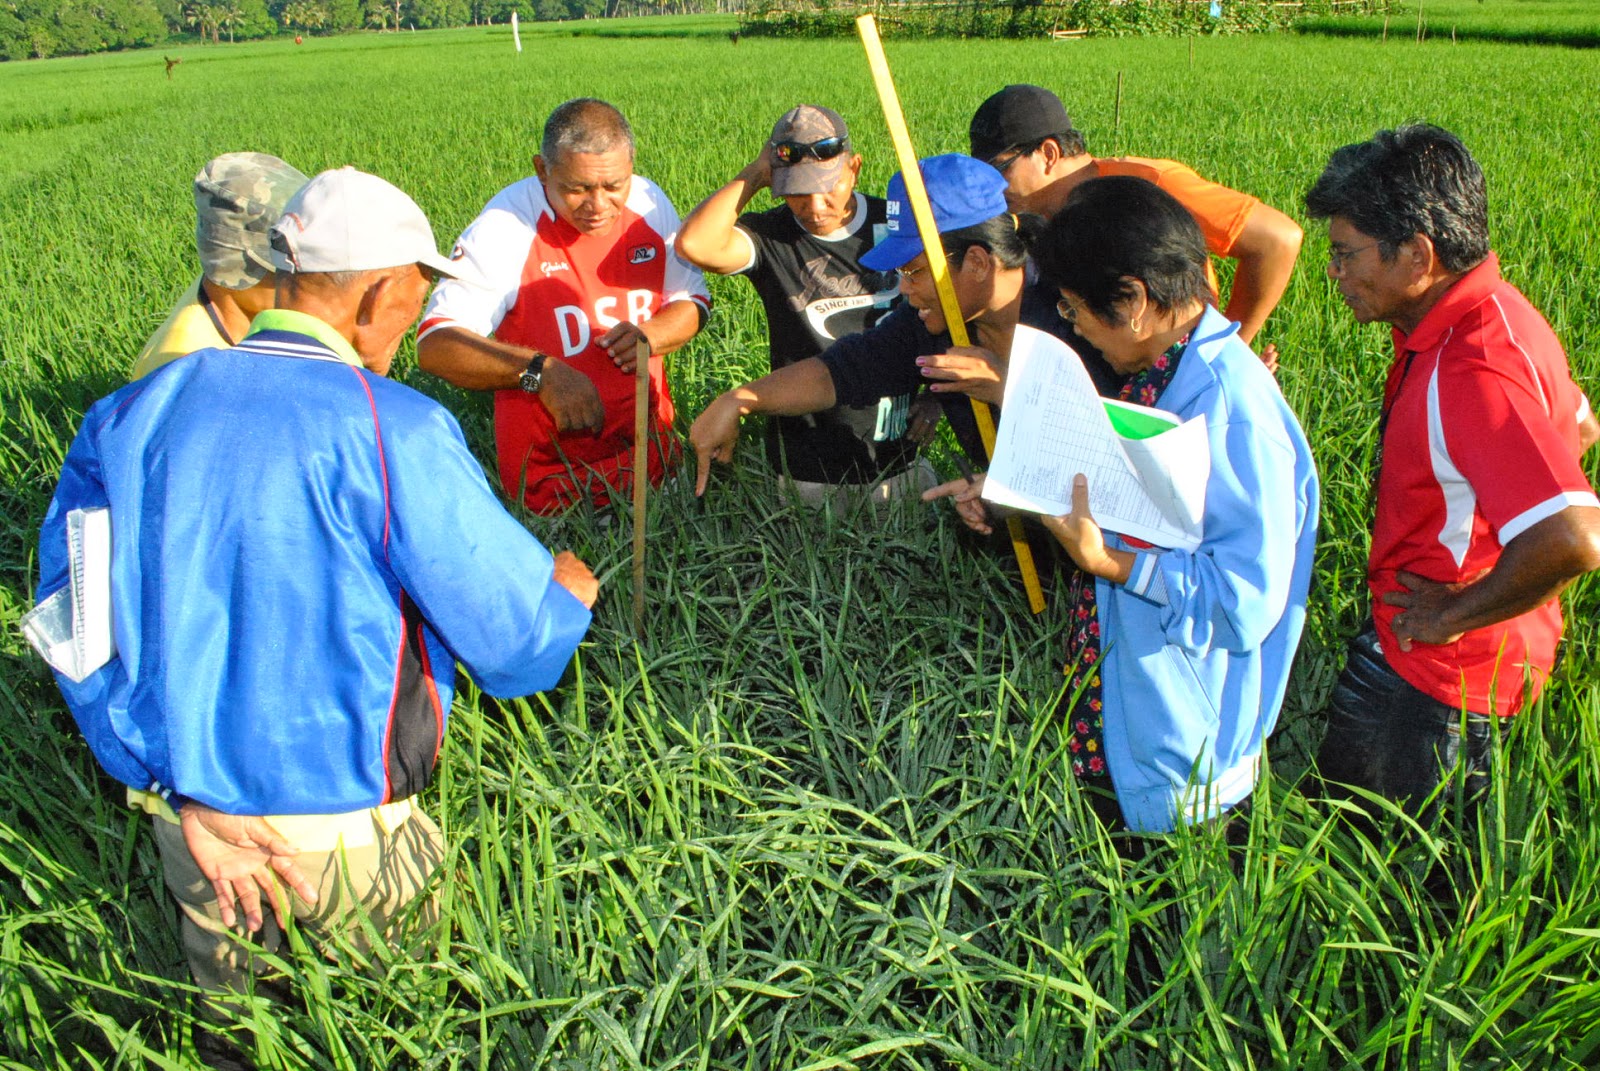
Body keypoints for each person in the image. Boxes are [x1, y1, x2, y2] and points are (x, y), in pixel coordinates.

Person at [34, 167, 597, 1062]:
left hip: (196, 828)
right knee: (399, 1028)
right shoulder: (394, 426)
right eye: (416, 294)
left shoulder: (131, 413)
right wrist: (562, 600)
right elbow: (515, 645)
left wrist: (168, 784)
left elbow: (70, 618)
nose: (414, 318)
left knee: (238, 1038)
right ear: (379, 289)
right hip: (350, 835)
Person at [926, 175, 1319, 833]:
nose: (1075, 327)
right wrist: (1013, 497)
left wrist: (1111, 564)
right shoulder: (1165, 371)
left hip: (1186, 760)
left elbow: (1243, 601)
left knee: (1175, 919)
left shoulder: (1230, 413)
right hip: (1131, 709)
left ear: (1134, 299)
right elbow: (1129, 490)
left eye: (1078, 309)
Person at [1304, 124, 1600, 812]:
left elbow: (1575, 536)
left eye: (1347, 255)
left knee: (1373, 860)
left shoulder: (1473, 365)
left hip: (1438, 677)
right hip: (1446, 644)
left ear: (1418, 254)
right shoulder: (1497, 312)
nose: (1335, 274)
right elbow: (1579, 424)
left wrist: (1453, 610)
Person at [689, 153, 1118, 496]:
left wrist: (1009, 390)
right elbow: (843, 370)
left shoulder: (1076, 312)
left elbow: (1117, 451)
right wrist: (739, 399)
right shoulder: (932, 323)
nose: (905, 289)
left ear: (976, 262)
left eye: (914, 272)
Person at [418, 98, 710, 512]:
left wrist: (653, 334)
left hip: (655, 463)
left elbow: (691, 300)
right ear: (542, 170)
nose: (598, 205)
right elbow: (436, 344)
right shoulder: (505, 228)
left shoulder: (648, 201)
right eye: (577, 189)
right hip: (555, 486)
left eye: (614, 186)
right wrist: (540, 373)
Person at [675, 104, 929, 506]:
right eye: (795, 192)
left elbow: (946, 315)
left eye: (828, 187)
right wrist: (758, 171)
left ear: (854, 168)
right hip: (809, 469)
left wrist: (935, 396)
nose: (814, 207)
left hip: (901, 461)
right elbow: (694, 244)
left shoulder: (895, 228)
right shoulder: (771, 237)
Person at [968, 84, 1302, 359]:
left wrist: (1229, 348)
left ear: (1049, 154)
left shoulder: (1147, 186)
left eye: (999, 169)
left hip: (1177, 375)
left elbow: (1277, 239)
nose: (992, 185)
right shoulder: (1034, 215)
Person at [131, 152, 308, 380]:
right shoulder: (182, 367)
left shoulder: (243, 305)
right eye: (288, 273)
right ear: (236, 271)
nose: (309, 286)